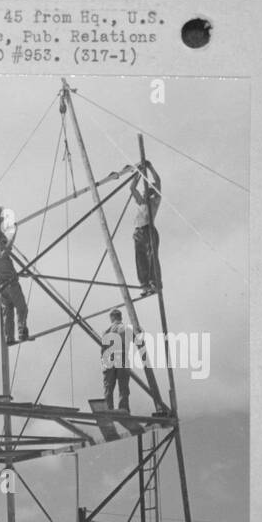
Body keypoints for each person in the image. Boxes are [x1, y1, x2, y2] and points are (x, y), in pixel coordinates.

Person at [0, 232, 31, 346]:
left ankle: (9, 338)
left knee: (7, 313)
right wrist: (14, 233)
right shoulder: (3, 255)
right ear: (1, 244)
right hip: (12, 286)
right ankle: (22, 332)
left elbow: (5, 271)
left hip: (2, 290)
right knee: (21, 308)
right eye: (4, 242)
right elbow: (8, 247)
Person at [132, 163, 162, 294]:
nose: (144, 194)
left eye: (147, 192)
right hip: (138, 232)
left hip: (148, 230)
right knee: (140, 259)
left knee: (151, 257)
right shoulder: (140, 202)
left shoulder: (154, 201)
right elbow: (132, 188)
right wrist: (139, 172)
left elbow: (158, 181)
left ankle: (153, 282)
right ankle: (144, 283)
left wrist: (150, 168)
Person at [100, 309, 133, 413]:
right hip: (121, 358)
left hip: (109, 359)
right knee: (123, 386)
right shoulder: (125, 328)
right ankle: (123, 409)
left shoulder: (106, 331)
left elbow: (102, 350)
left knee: (108, 387)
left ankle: (108, 408)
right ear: (120, 317)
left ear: (112, 318)